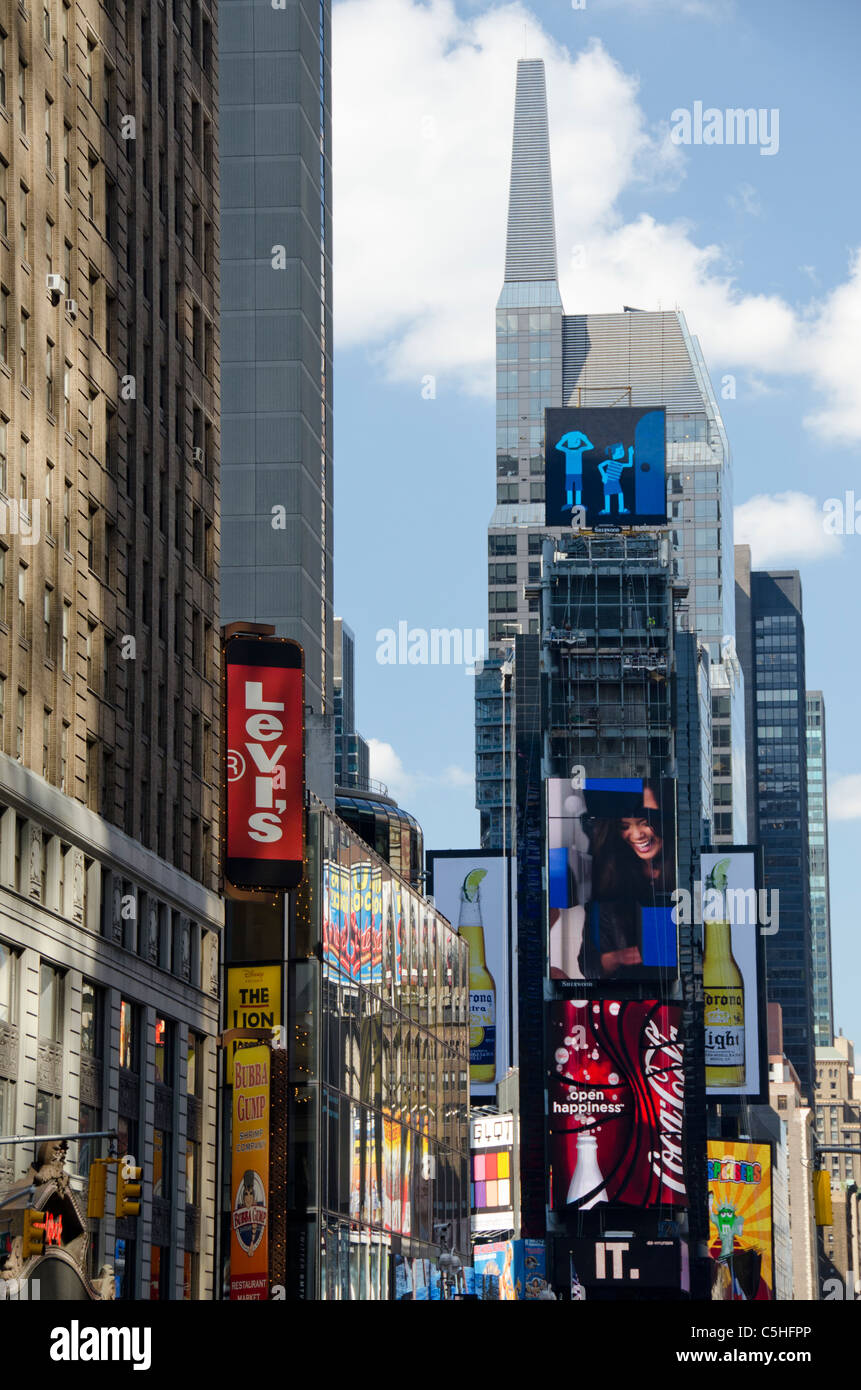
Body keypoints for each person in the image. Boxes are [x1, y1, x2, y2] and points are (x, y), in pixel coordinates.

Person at [579, 784, 672, 978]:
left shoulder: (688, 872)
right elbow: (588, 965)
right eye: (625, 826)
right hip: (627, 995)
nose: (637, 835)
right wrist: (617, 958)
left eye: (646, 821)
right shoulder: (609, 879)